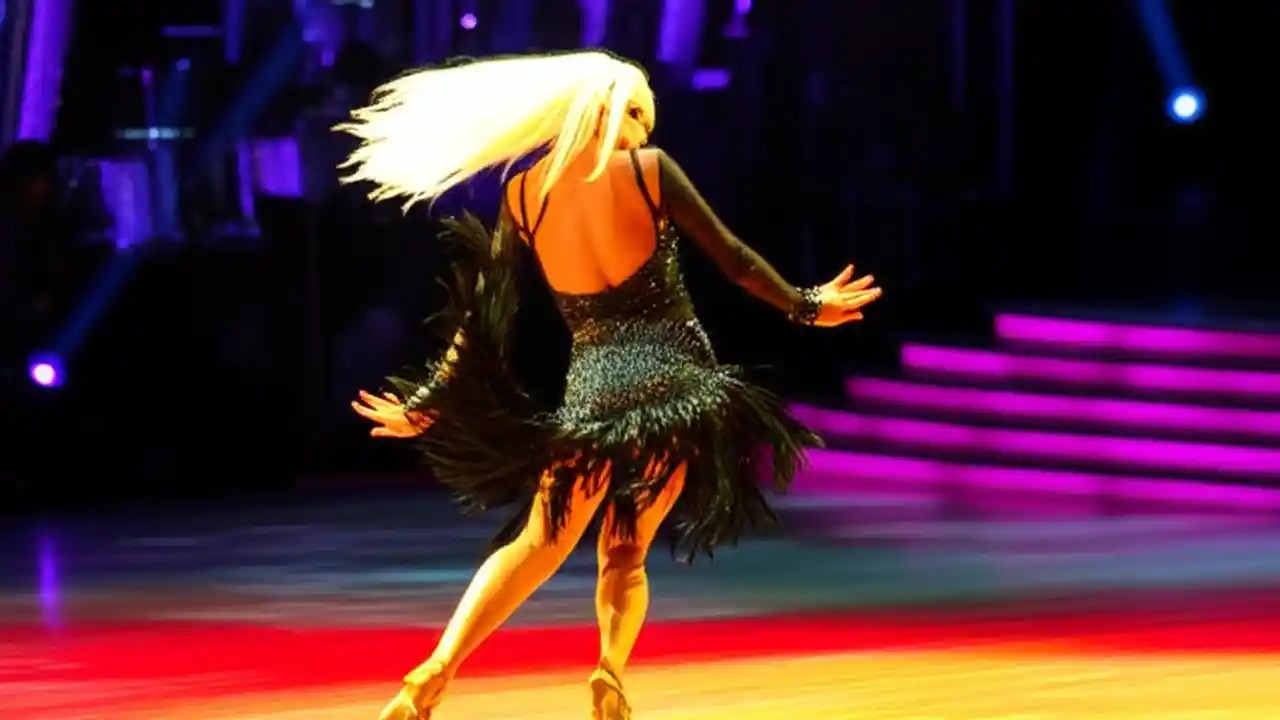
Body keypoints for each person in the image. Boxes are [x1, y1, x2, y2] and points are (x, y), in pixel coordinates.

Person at [340, 50, 882, 719]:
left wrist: (428, 401)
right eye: (638, 117)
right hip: (675, 384)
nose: (644, 134)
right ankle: (607, 669)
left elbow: (485, 315)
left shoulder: (525, 195)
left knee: (537, 541)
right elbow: (735, 261)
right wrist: (805, 303)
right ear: (612, 110)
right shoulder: (649, 173)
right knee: (624, 550)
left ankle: (435, 670)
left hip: (592, 396)